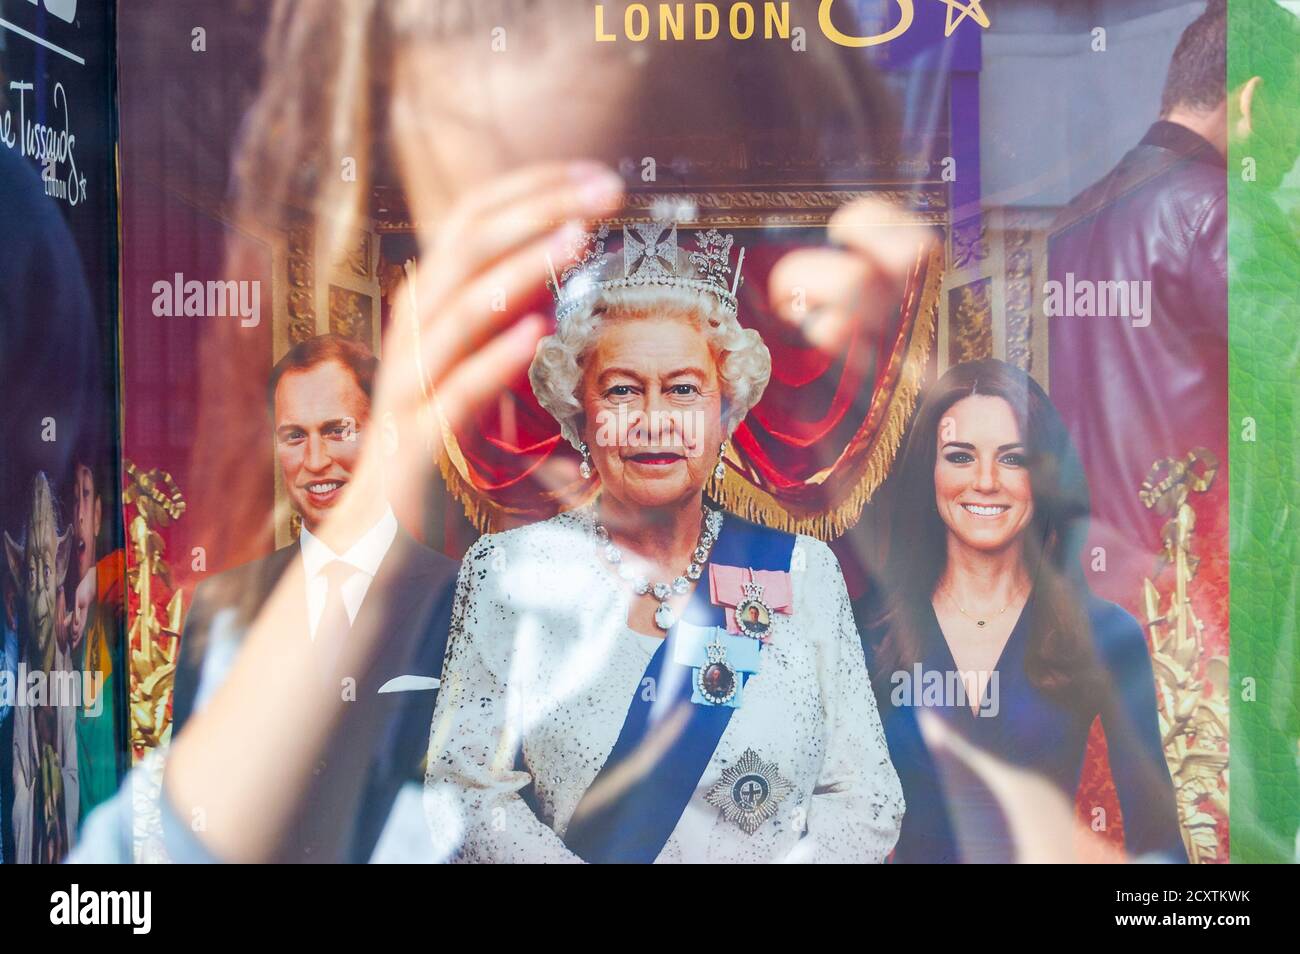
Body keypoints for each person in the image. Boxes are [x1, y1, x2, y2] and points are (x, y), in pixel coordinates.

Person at [423, 222, 904, 863]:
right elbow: (466, 794)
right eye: (621, 389)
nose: (654, 420)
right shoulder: (508, 574)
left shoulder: (803, 572)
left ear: (724, 411)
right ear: (580, 411)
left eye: (684, 389)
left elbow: (866, 797)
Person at [863, 359, 1186, 863]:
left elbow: (1160, 842)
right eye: (960, 456)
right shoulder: (868, 630)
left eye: (1013, 459)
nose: (986, 481)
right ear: (929, 469)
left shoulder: (1104, 634)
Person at [168, 335, 460, 862]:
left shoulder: (461, 598)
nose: (316, 460)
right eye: (293, 436)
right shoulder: (223, 604)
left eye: (337, 431)